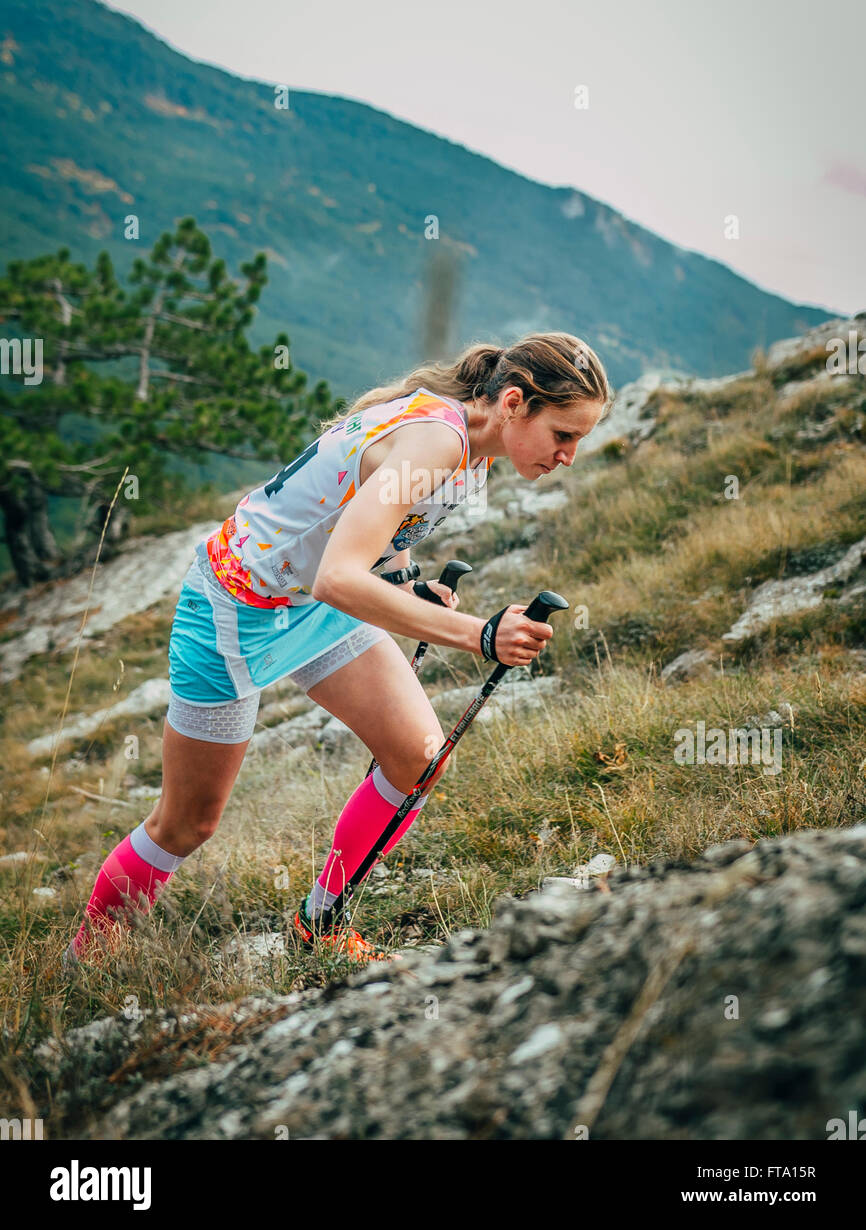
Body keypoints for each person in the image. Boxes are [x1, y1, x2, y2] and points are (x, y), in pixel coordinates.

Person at [65, 332, 611, 968]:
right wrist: (480, 636)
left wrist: (408, 585)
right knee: (187, 824)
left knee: (418, 757)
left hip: (308, 606)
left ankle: (320, 923)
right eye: (564, 436)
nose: (569, 456)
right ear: (515, 402)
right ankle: (88, 961)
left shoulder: (474, 447)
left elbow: (383, 526)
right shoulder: (441, 441)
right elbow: (339, 577)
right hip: (233, 608)